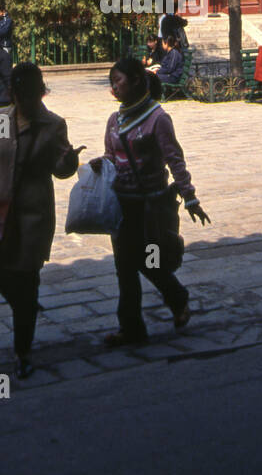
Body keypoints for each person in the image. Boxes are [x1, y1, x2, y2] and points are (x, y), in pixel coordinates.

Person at [0, 63, 82, 379]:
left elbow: (60, 170)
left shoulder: (52, 125)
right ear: (12, 94)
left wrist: (69, 163)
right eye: (20, 94)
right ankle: (26, 308)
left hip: (34, 213)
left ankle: (22, 351)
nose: (26, 101)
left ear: (41, 92)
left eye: (31, 94)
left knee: (27, 277)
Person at [88, 58, 210, 347]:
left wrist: (190, 196)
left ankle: (177, 297)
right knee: (124, 267)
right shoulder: (114, 120)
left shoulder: (158, 118)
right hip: (122, 203)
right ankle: (132, 326)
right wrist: (99, 164)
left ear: (136, 82)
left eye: (118, 82)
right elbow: (111, 156)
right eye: (112, 82)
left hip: (150, 204)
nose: (113, 88)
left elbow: (174, 159)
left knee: (147, 260)